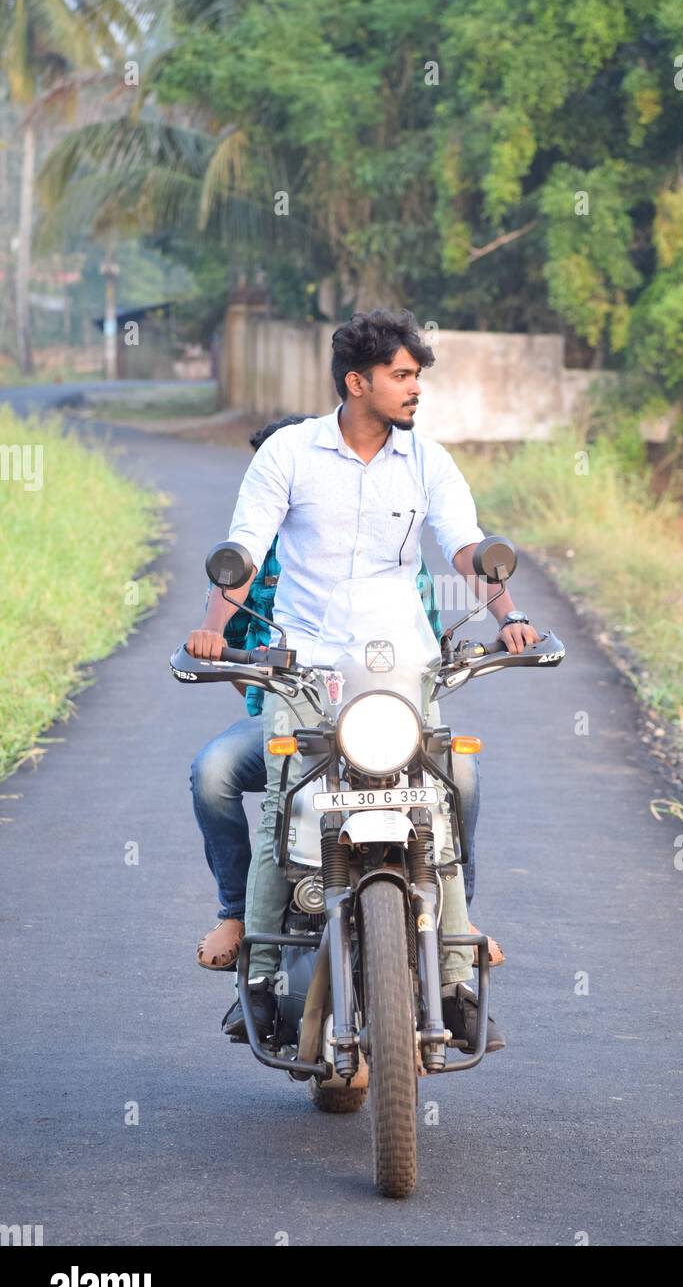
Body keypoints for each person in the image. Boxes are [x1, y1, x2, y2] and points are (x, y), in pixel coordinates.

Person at [186, 309, 539, 1052]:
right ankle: (257, 975)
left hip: (402, 666)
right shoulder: (288, 453)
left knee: (449, 790)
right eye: (403, 375)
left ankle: (455, 971)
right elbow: (245, 548)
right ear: (359, 381)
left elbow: (466, 546)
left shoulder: (427, 461)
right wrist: (214, 624)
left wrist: (510, 614)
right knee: (289, 802)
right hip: (308, 670)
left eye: (418, 376)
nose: (416, 389)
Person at [191, 420, 493, 970]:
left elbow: (421, 645)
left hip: (382, 718)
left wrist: (486, 634)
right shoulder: (249, 568)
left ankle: (457, 919)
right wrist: (266, 681)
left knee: (461, 777)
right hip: (294, 713)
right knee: (213, 772)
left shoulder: (394, 570)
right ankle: (239, 920)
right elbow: (226, 648)